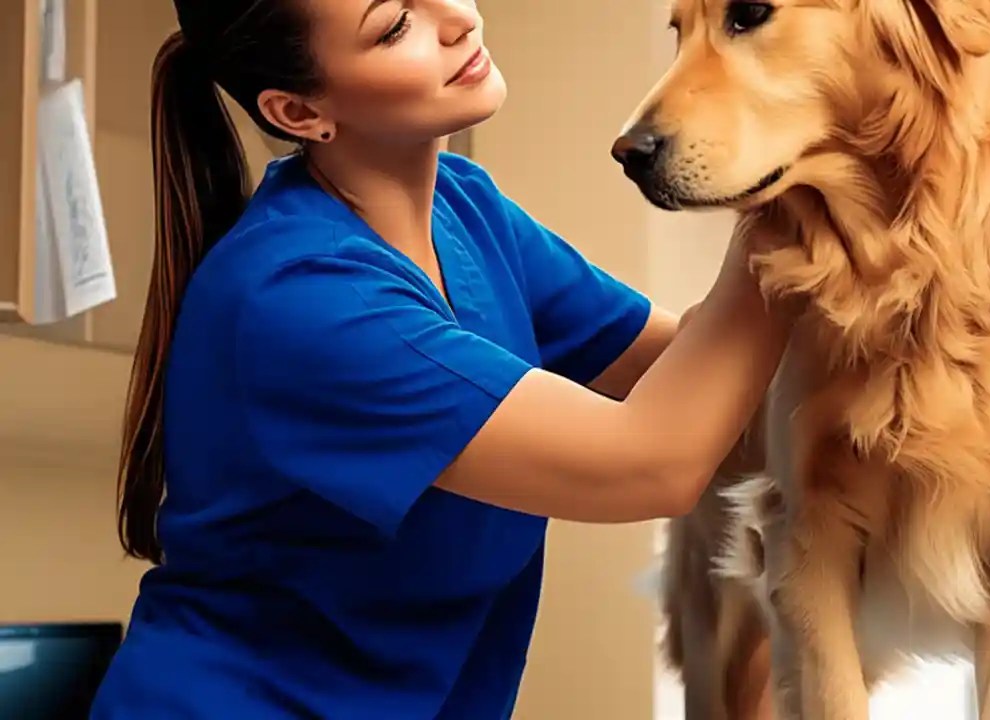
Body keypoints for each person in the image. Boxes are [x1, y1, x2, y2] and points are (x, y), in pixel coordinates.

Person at [90, 1, 793, 718]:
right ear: (300, 113)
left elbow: (692, 376)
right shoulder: (299, 300)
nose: (458, 18)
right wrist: (784, 189)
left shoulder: (466, 209)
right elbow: (652, 461)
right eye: (395, 25)